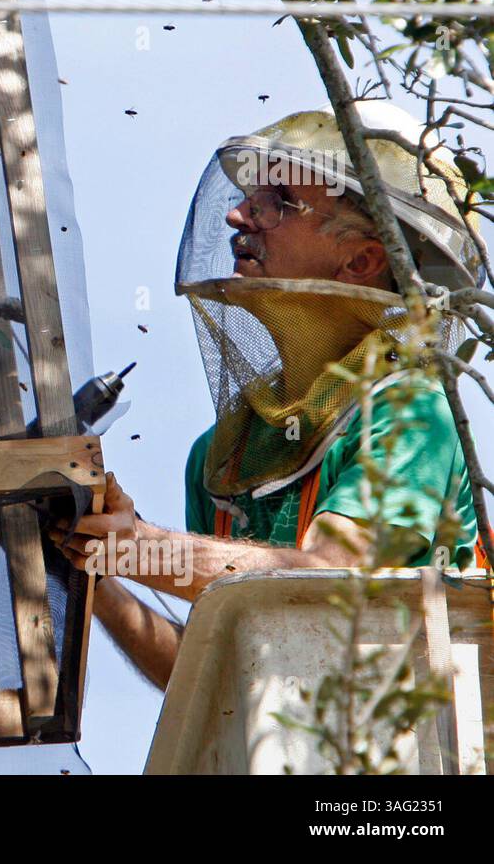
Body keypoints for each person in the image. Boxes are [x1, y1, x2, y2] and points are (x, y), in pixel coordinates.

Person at [51, 101, 487, 690]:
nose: (237, 215)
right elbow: (206, 675)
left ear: (359, 260)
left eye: (279, 201)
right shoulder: (224, 455)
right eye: (249, 197)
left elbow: (329, 579)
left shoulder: (410, 416)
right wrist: (97, 564)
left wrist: (143, 550)